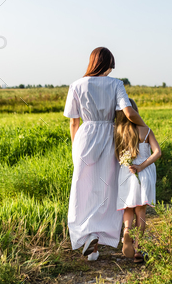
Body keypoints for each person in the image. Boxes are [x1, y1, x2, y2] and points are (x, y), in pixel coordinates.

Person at [64, 47, 147, 261]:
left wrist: (76, 150)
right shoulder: (116, 84)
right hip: (109, 137)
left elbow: (74, 122)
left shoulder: (76, 85)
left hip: (84, 137)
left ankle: (89, 241)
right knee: (107, 191)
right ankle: (98, 239)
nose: (111, 70)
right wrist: (144, 125)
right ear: (107, 63)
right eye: (111, 65)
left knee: (84, 189)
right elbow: (127, 112)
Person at [115, 98, 161, 263]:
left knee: (128, 208)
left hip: (126, 173)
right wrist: (141, 166)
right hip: (144, 173)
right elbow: (157, 153)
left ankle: (126, 230)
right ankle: (138, 248)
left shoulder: (118, 131)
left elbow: (116, 156)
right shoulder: (145, 130)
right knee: (141, 211)